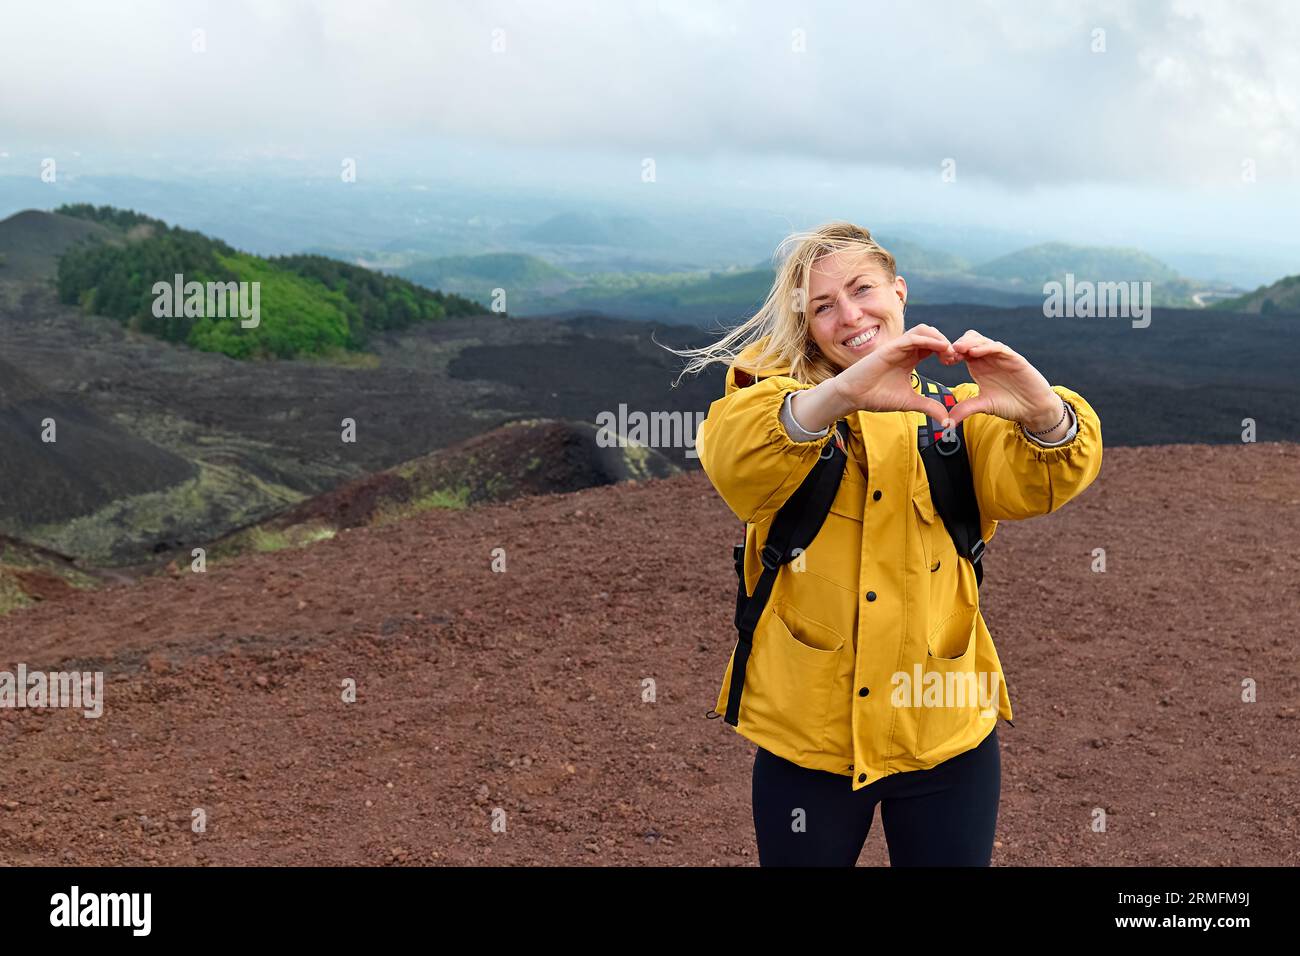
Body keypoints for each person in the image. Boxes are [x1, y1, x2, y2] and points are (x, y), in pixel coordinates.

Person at [669, 222, 1103, 866]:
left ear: (898, 291)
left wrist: (1044, 412)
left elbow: (1038, 485)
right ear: (807, 325)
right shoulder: (779, 411)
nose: (849, 315)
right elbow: (737, 462)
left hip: (946, 732)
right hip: (810, 742)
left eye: (862, 289)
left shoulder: (957, 415)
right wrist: (845, 393)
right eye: (822, 306)